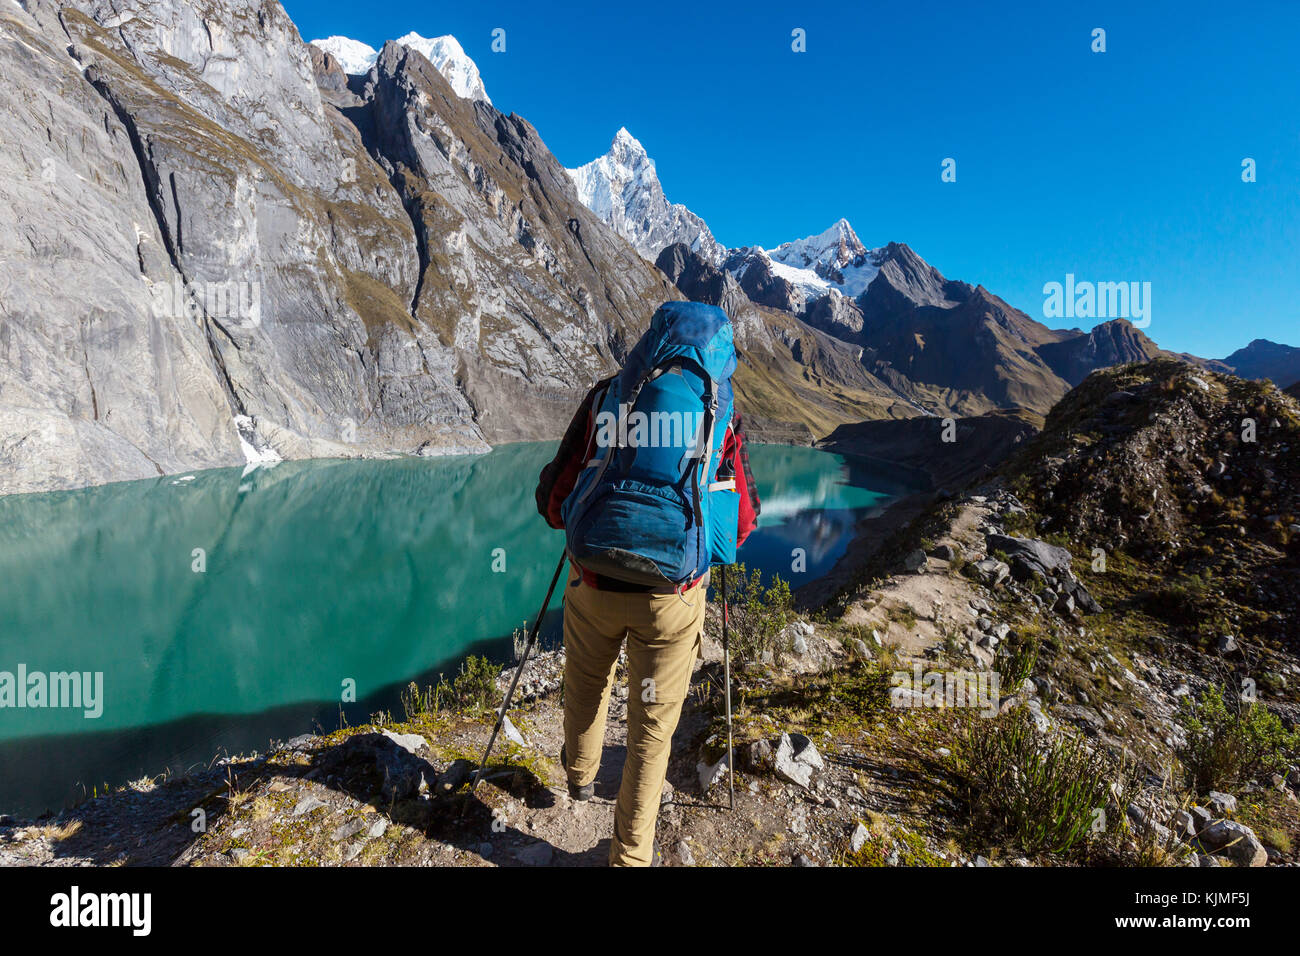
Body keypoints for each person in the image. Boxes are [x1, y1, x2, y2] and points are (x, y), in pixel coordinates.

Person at [534, 301, 760, 866]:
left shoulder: (608, 394)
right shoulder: (722, 410)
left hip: (593, 581)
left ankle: (580, 779)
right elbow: (746, 519)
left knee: (586, 684)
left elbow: (554, 497)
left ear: (651, 341)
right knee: (651, 730)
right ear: (720, 353)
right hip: (672, 599)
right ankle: (631, 857)